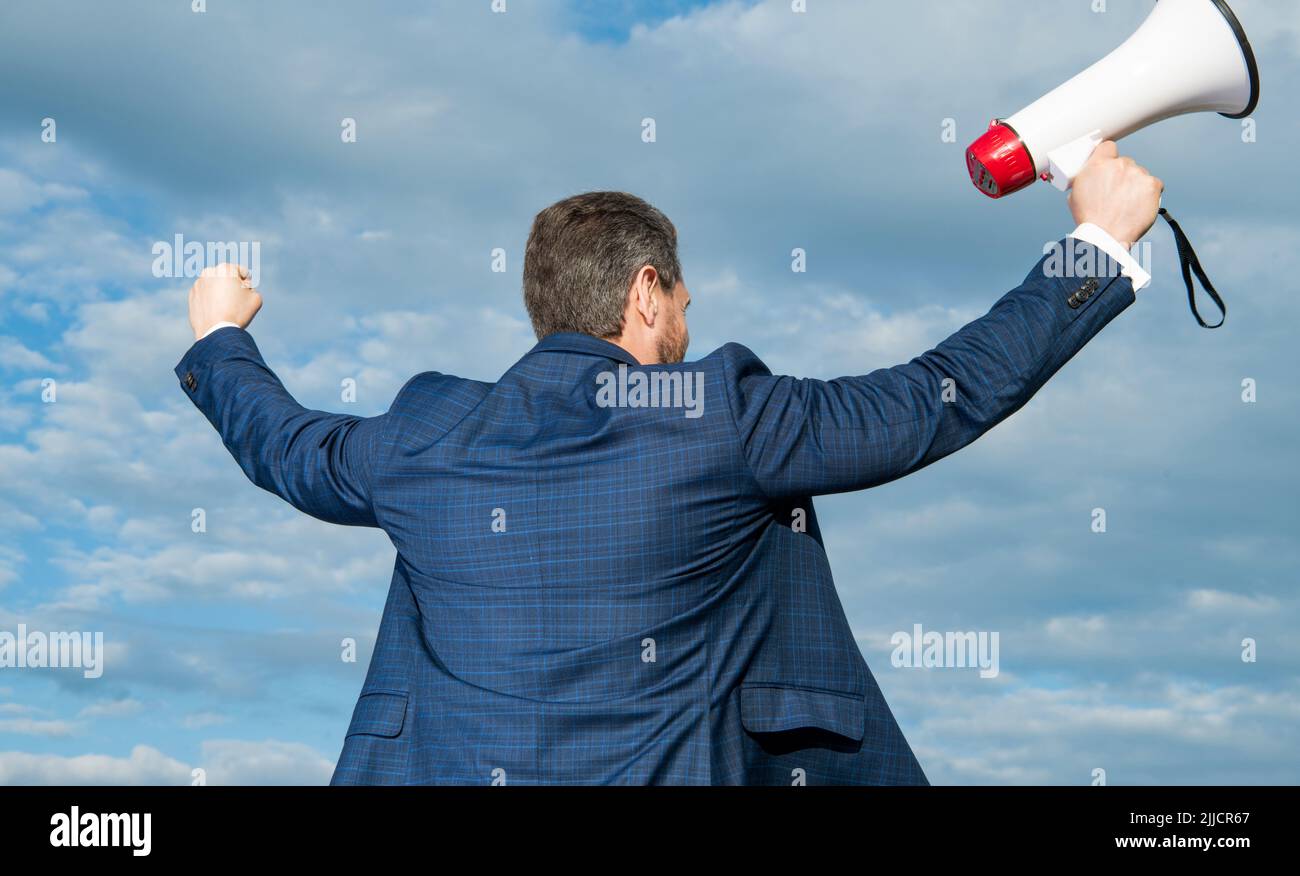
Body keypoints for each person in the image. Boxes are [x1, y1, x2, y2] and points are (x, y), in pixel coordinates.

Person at [176, 141, 1161, 784]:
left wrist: (221, 337)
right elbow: (932, 398)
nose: (688, 321)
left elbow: (286, 446)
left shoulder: (428, 431)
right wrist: (1095, 241)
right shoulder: (713, 416)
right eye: (683, 300)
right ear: (648, 291)